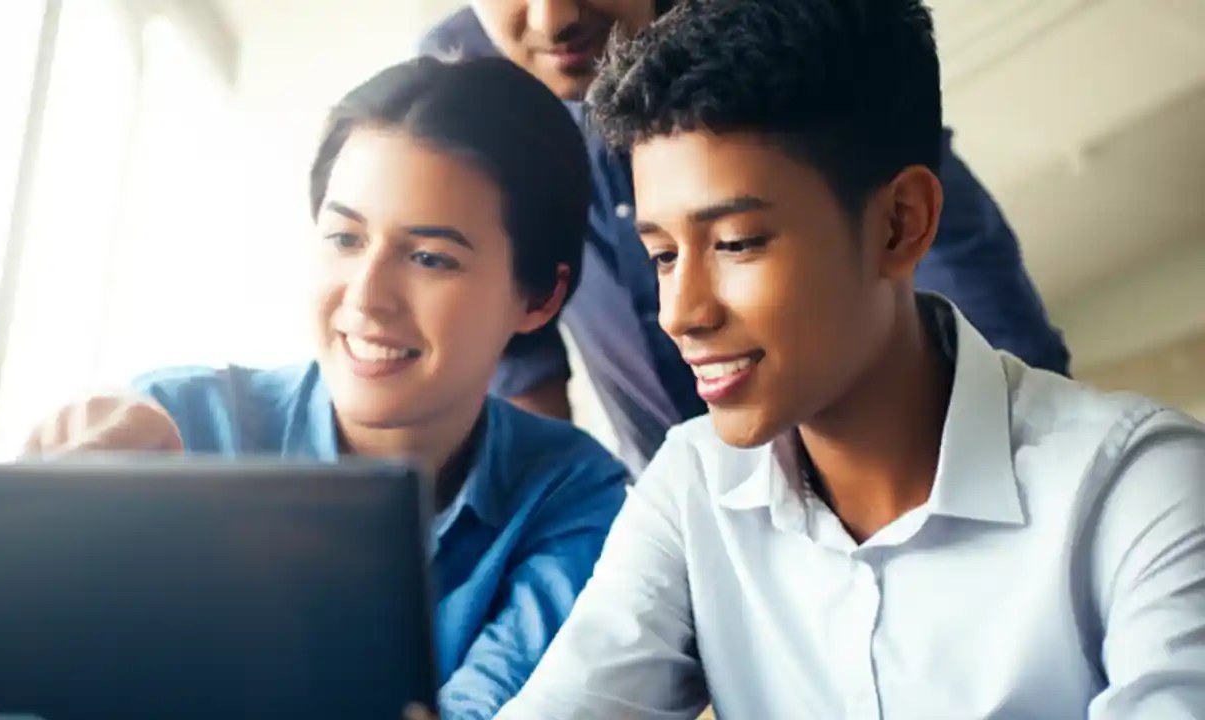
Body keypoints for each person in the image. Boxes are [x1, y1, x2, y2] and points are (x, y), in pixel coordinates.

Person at [495, 1, 1205, 717]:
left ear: (900, 224)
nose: (682, 313)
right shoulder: (692, 487)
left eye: (736, 243)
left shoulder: (1141, 489)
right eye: (663, 256)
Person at [22, 56, 628, 720]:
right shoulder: (176, 430)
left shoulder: (572, 495)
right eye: (344, 238)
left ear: (539, 297)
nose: (366, 298)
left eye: (430, 258)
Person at [421, 0, 1071, 472]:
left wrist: (1025, 457)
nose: (552, 18)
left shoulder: (796, 28)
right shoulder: (462, 85)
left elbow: (954, 258)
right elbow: (519, 359)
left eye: (737, 241)